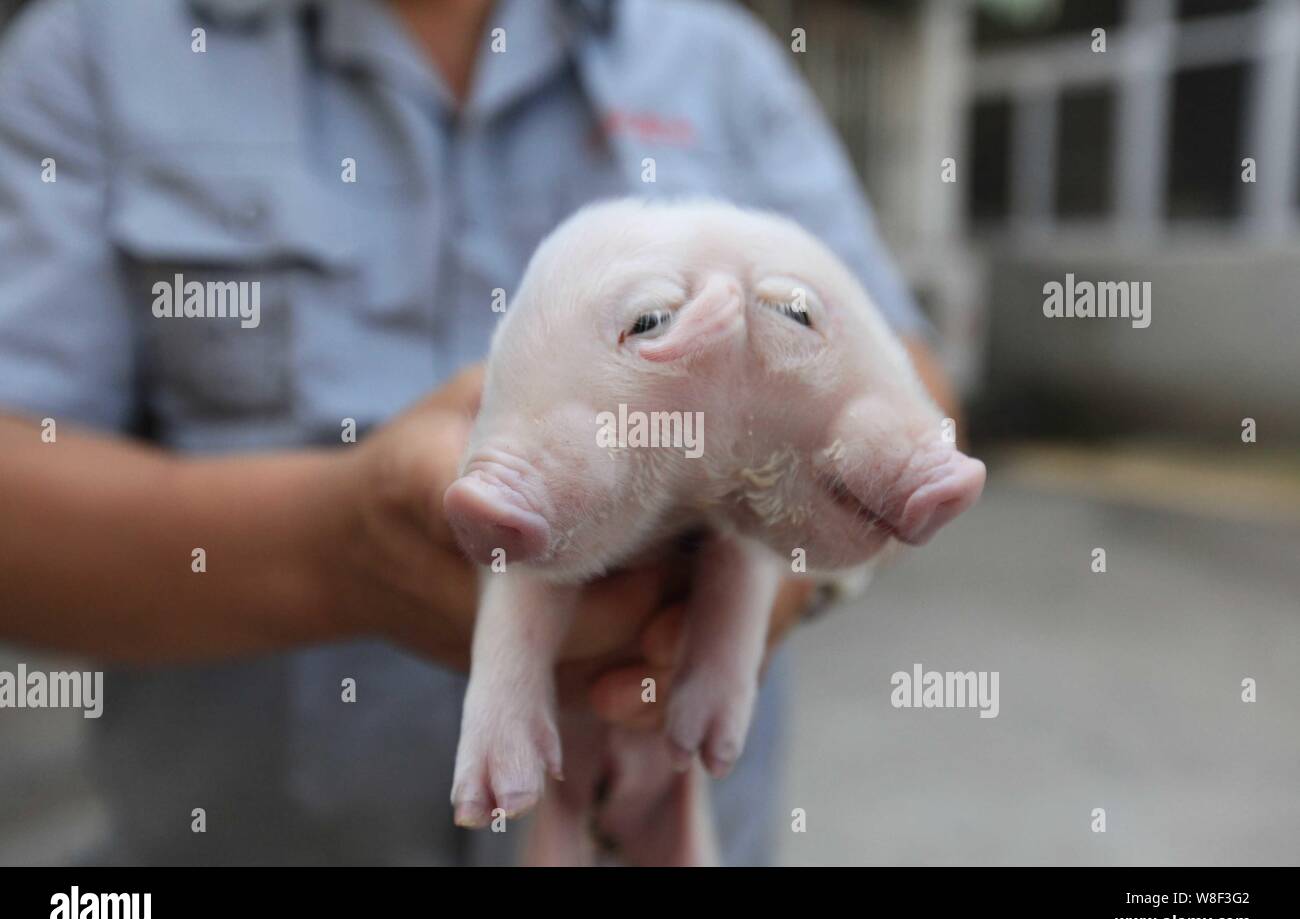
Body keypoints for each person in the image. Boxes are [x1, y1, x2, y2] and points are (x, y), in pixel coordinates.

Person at [0, 0, 956, 864]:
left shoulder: (718, 59)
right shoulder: (89, 49)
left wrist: (790, 561)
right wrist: (337, 549)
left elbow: (903, 389)